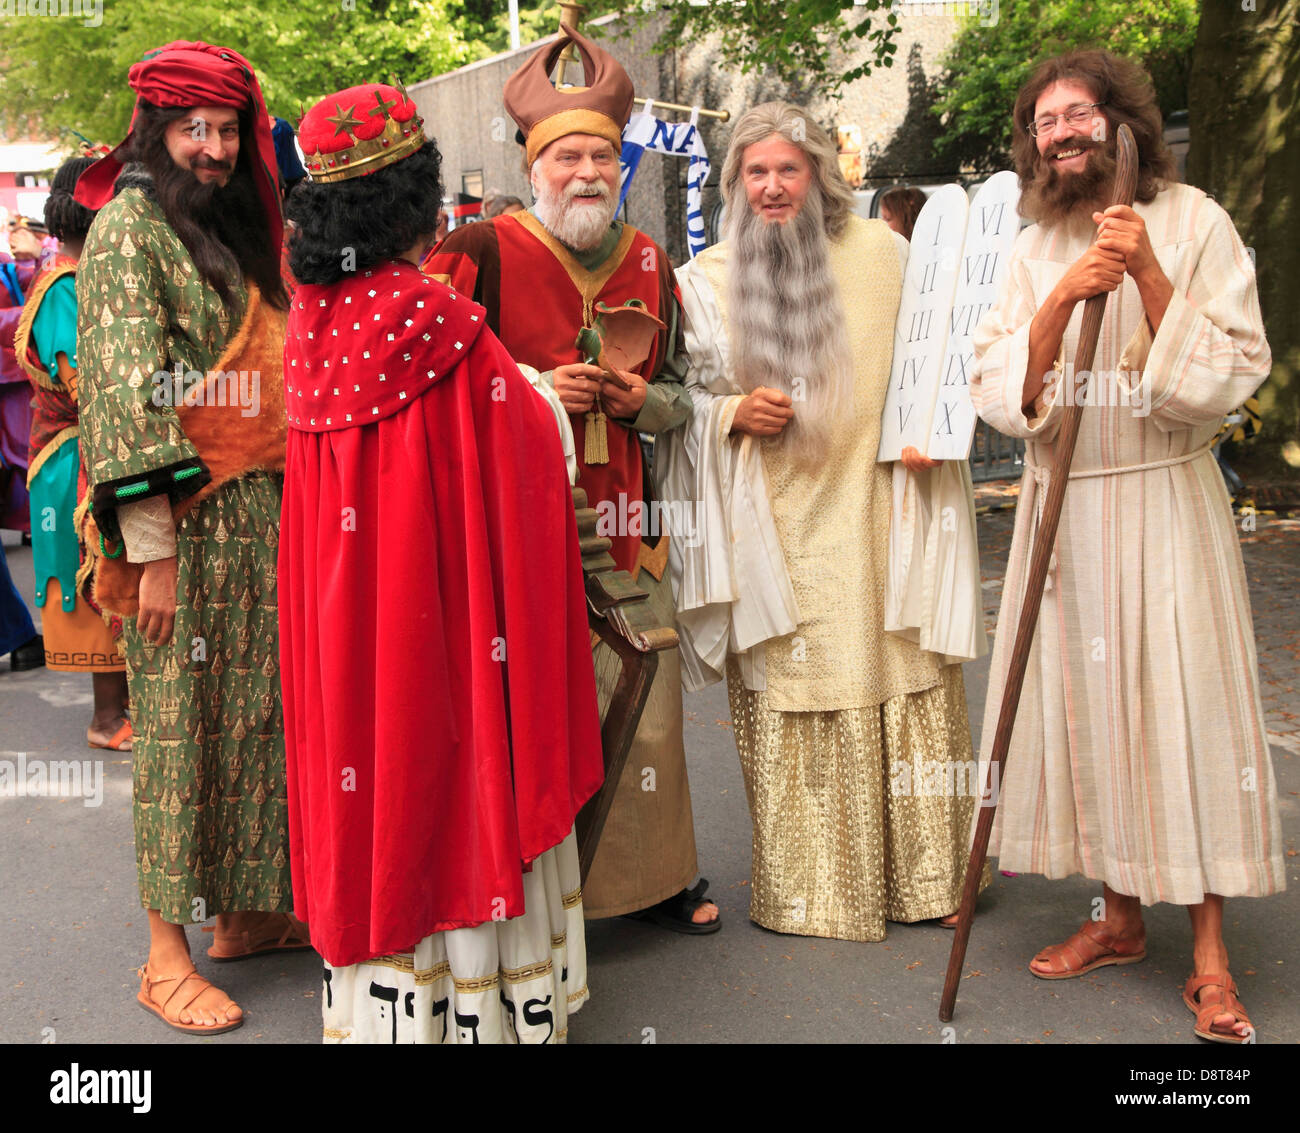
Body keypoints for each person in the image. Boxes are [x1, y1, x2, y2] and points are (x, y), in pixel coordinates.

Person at [970, 49, 1284, 1043]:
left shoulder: (1195, 221)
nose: (1059, 132)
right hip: (1067, 507)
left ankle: (1208, 958)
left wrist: (1144, 270)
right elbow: (995, 384)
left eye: (1076, 114)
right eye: (1044, 121)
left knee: (1182, 712)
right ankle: (1115, 919)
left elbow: (1232, 372)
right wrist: (1065, 295)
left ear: (1121, 123)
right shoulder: (1029, 249)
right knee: (1089, 710)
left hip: (1164, 504)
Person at [281, 82, 603, 1044]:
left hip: (350, 621)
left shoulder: (312, 320)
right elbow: (527, 450)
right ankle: (485, 1007)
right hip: (449, 616)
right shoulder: (437, 322)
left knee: (371, 769)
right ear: (417, 198)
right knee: (460, 771)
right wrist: (545, 392)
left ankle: (384, 1010)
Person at [658, 102, 988, 943]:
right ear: (735, 184)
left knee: (906, 670)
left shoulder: (886, 253)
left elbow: (945, 356)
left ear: (820, 176)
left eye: (788, 170)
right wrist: (729, 412)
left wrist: (937, 431)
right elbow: (676, 407)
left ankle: (932, 874)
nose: (772, 187)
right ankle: (814, 889)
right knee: (805, 683)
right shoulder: (705, 280)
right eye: (755, 173)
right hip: (775, 528)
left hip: (887, 511)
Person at [426, 25, 720, 933]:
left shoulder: (650, 260)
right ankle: (538, 887)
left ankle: (659, 879)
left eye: (602, 153)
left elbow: (682, 391)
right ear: (532, 159)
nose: (586, 170)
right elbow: (431, 382)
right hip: (518, 519)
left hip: (628, 518)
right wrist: (529, 391)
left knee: (651, 703)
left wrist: (641, 401)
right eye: (566, 155)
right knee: (533, 697)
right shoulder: (477, 249)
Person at [75, 40, 307, 1036]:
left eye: (225, 130)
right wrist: (153, 557)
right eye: (193, 130)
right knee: (176, 737)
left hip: (258, 521)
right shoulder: (129, 227)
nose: (213, 149)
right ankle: (163, 956)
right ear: (155, 132)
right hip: (183, 532)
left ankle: (249, 913)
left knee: (259, 720)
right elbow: (125, 402)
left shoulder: (226, 228)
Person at [12, 154, 131, 746]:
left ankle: (124, 710)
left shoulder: (84, 276)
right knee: (95, 575)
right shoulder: (65, 285)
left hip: (94, 444)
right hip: (74, 456)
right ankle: (106, 719)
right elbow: (84, 381)